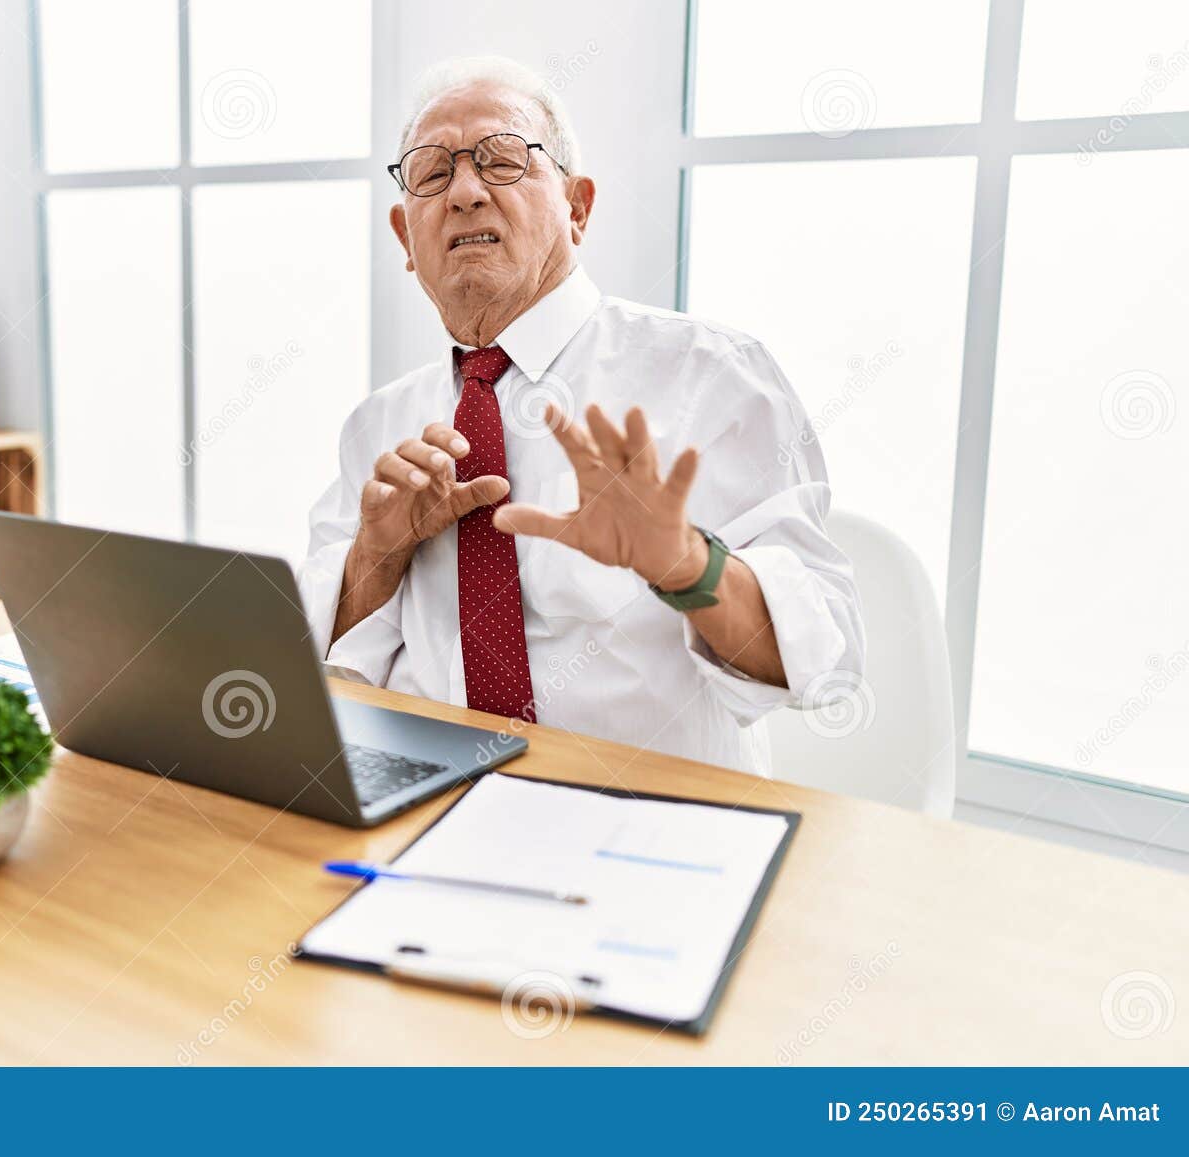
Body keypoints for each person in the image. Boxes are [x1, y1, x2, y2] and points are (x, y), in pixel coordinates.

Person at [299, 56, 864, 774]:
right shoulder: (376, 428)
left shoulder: (711, 374)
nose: (466, 191)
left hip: (644, 825)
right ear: (406, 238)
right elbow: (315, 663)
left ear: (577, 207)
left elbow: (828, 652)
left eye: (503, 162)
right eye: (432, 174)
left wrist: (684, 561)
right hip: (421, 807)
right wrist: (375, 559)